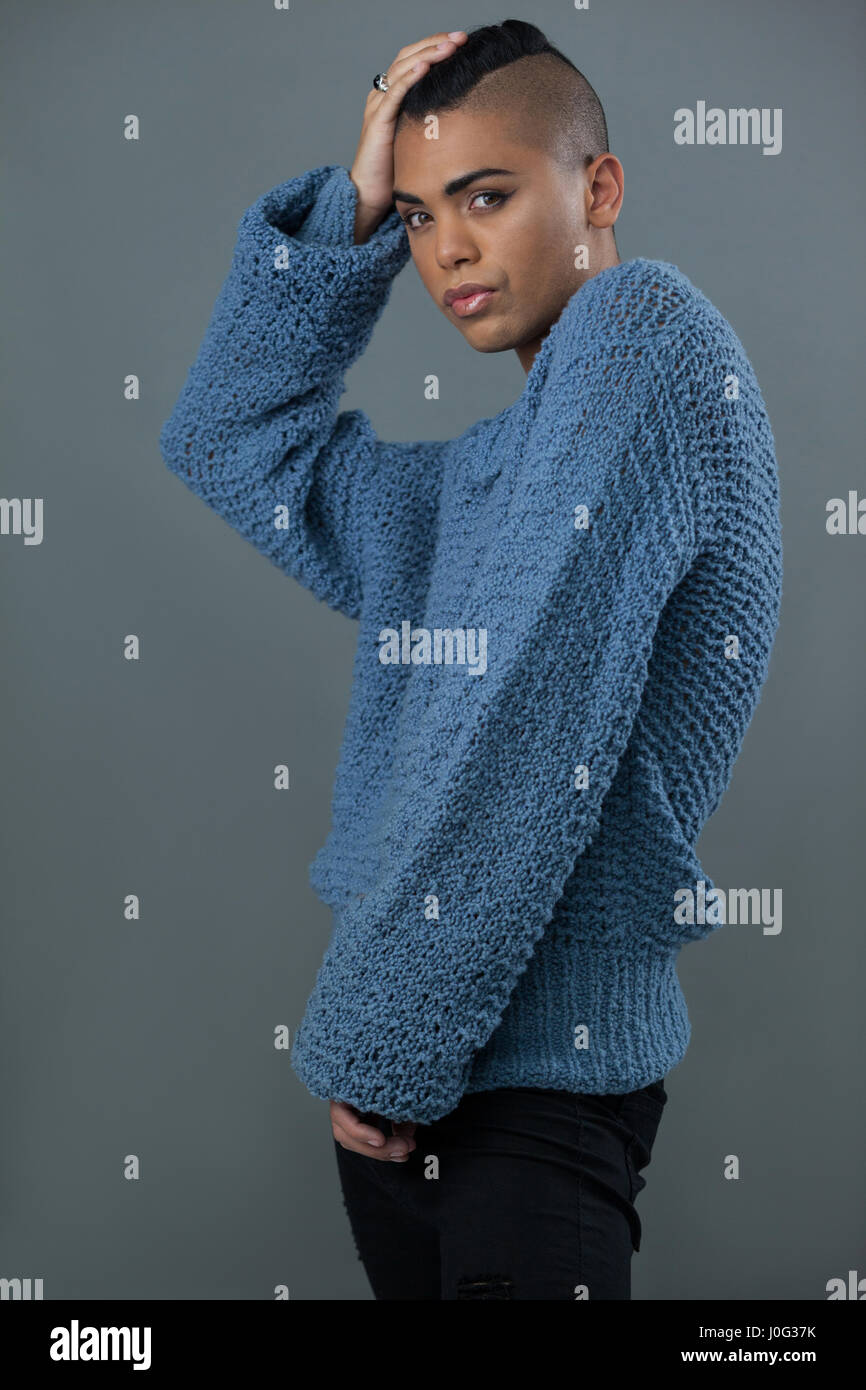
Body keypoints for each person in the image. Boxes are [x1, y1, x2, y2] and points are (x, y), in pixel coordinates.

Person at [159, 20, 783, 1299]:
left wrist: (378, 1048)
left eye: (487, 197)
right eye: (420, 216)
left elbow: (518, 724)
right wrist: (350, 204)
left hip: (524, 1089)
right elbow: (225, 440)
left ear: (597, 189)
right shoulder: (472, 485)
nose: (447, 247)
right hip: (409, 1085)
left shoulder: (641, 335)